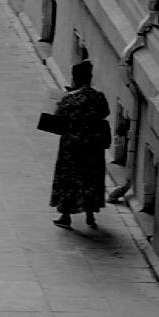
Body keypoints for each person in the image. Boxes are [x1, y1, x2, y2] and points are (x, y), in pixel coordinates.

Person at [38, 53, 112, 232]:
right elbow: (105, 112)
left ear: (75, 78)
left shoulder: (70, 99)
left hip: (72, 149)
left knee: (69, 182)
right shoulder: (99, 97)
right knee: (91, 180)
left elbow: (58, 116)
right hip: (93, 148)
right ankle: (90, 215)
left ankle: (65, 216)